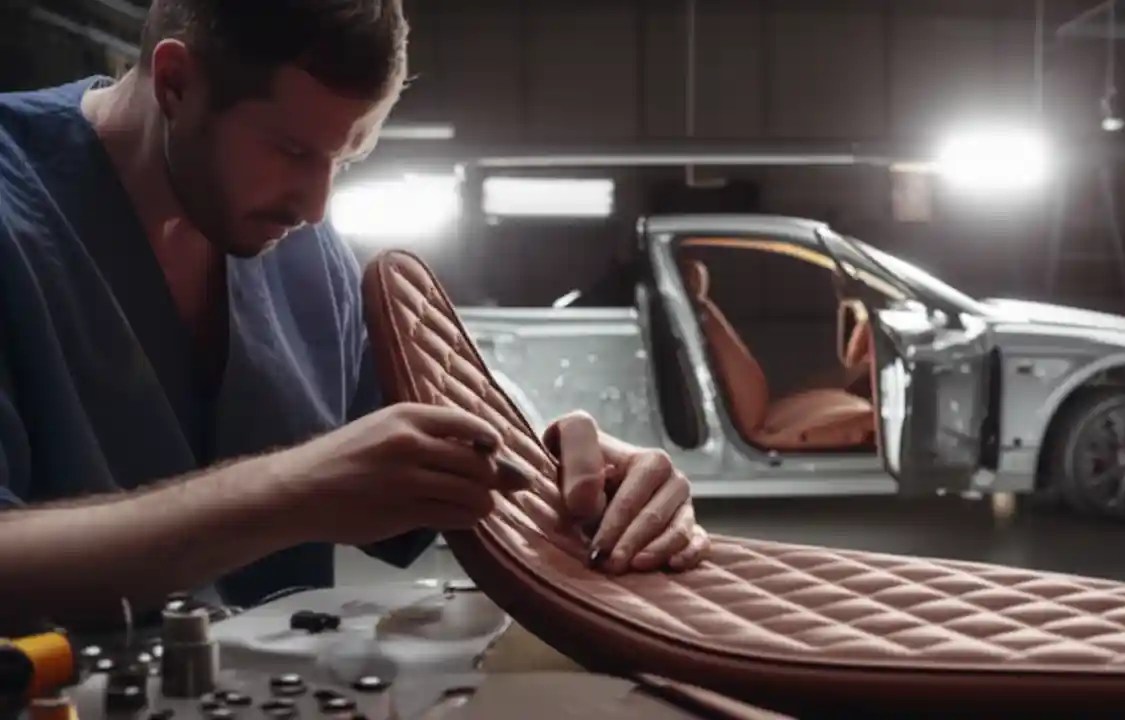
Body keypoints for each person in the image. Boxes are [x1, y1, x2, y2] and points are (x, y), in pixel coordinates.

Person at [0, 0, 708, 627]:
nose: (316, 207)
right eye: (291, 150)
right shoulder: (18, 217)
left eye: (349, 157)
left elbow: (416, 449)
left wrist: (559, 470)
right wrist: (289, 493)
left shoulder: (306, 257)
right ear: (177, 82)